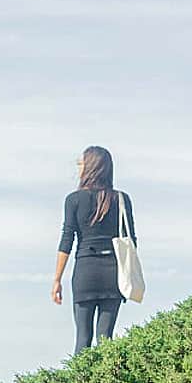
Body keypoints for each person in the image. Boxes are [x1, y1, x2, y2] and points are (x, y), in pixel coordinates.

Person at [52, 146, 137, 355]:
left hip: (85, 272)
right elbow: (131, 240)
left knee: (82, 337)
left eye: (80, 163)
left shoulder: (73, 199)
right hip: (113, 273)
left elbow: (67, 240)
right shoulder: (122, 199)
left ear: (90, 167)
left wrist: (57, 279)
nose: (78, 167)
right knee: (105, 338)